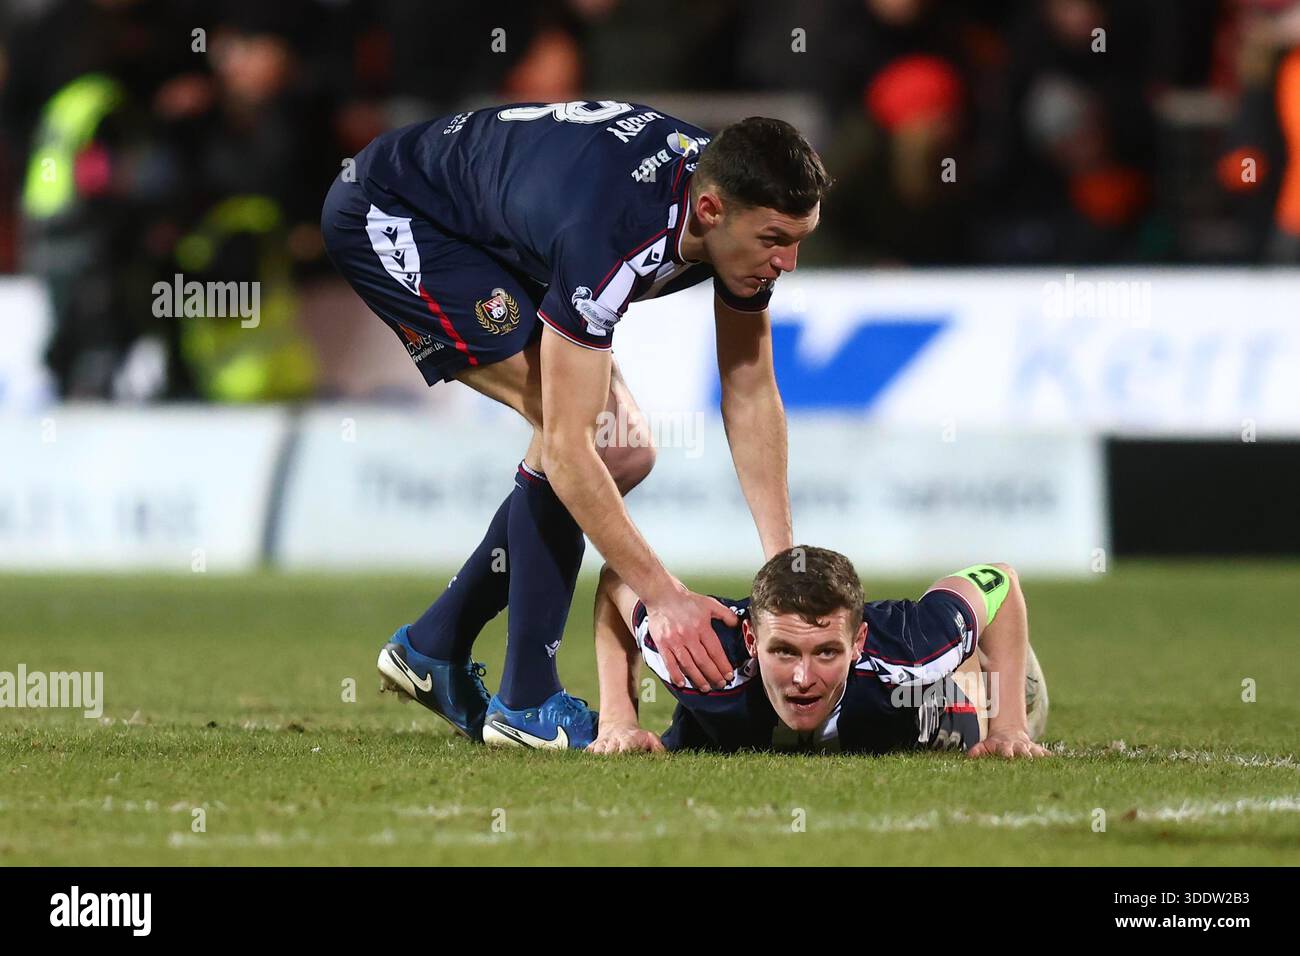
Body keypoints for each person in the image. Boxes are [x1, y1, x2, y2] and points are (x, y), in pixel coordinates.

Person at [320, 101, 829, 747]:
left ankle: (435, 648)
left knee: (619, 449)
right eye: (775, 242)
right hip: (394, 211)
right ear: (710, 212)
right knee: (603, 445)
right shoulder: (614, 230)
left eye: (797, 241)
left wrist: (783, 572)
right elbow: (567, 450)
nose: (787, 263)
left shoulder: (733, 201)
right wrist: (664, 598)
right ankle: (525, 702)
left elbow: (751, 389)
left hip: (496, 222)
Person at [586, 545, 1050, 757]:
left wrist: (1009, 727)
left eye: (826, 652)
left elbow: (1001, 582)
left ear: (858, 643)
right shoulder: (703, 650)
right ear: (750, 641)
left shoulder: (909, 644)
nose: (804, 678)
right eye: (784, 652)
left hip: (953, 705)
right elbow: (613, 582)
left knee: (991, 681)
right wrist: (618, 722)